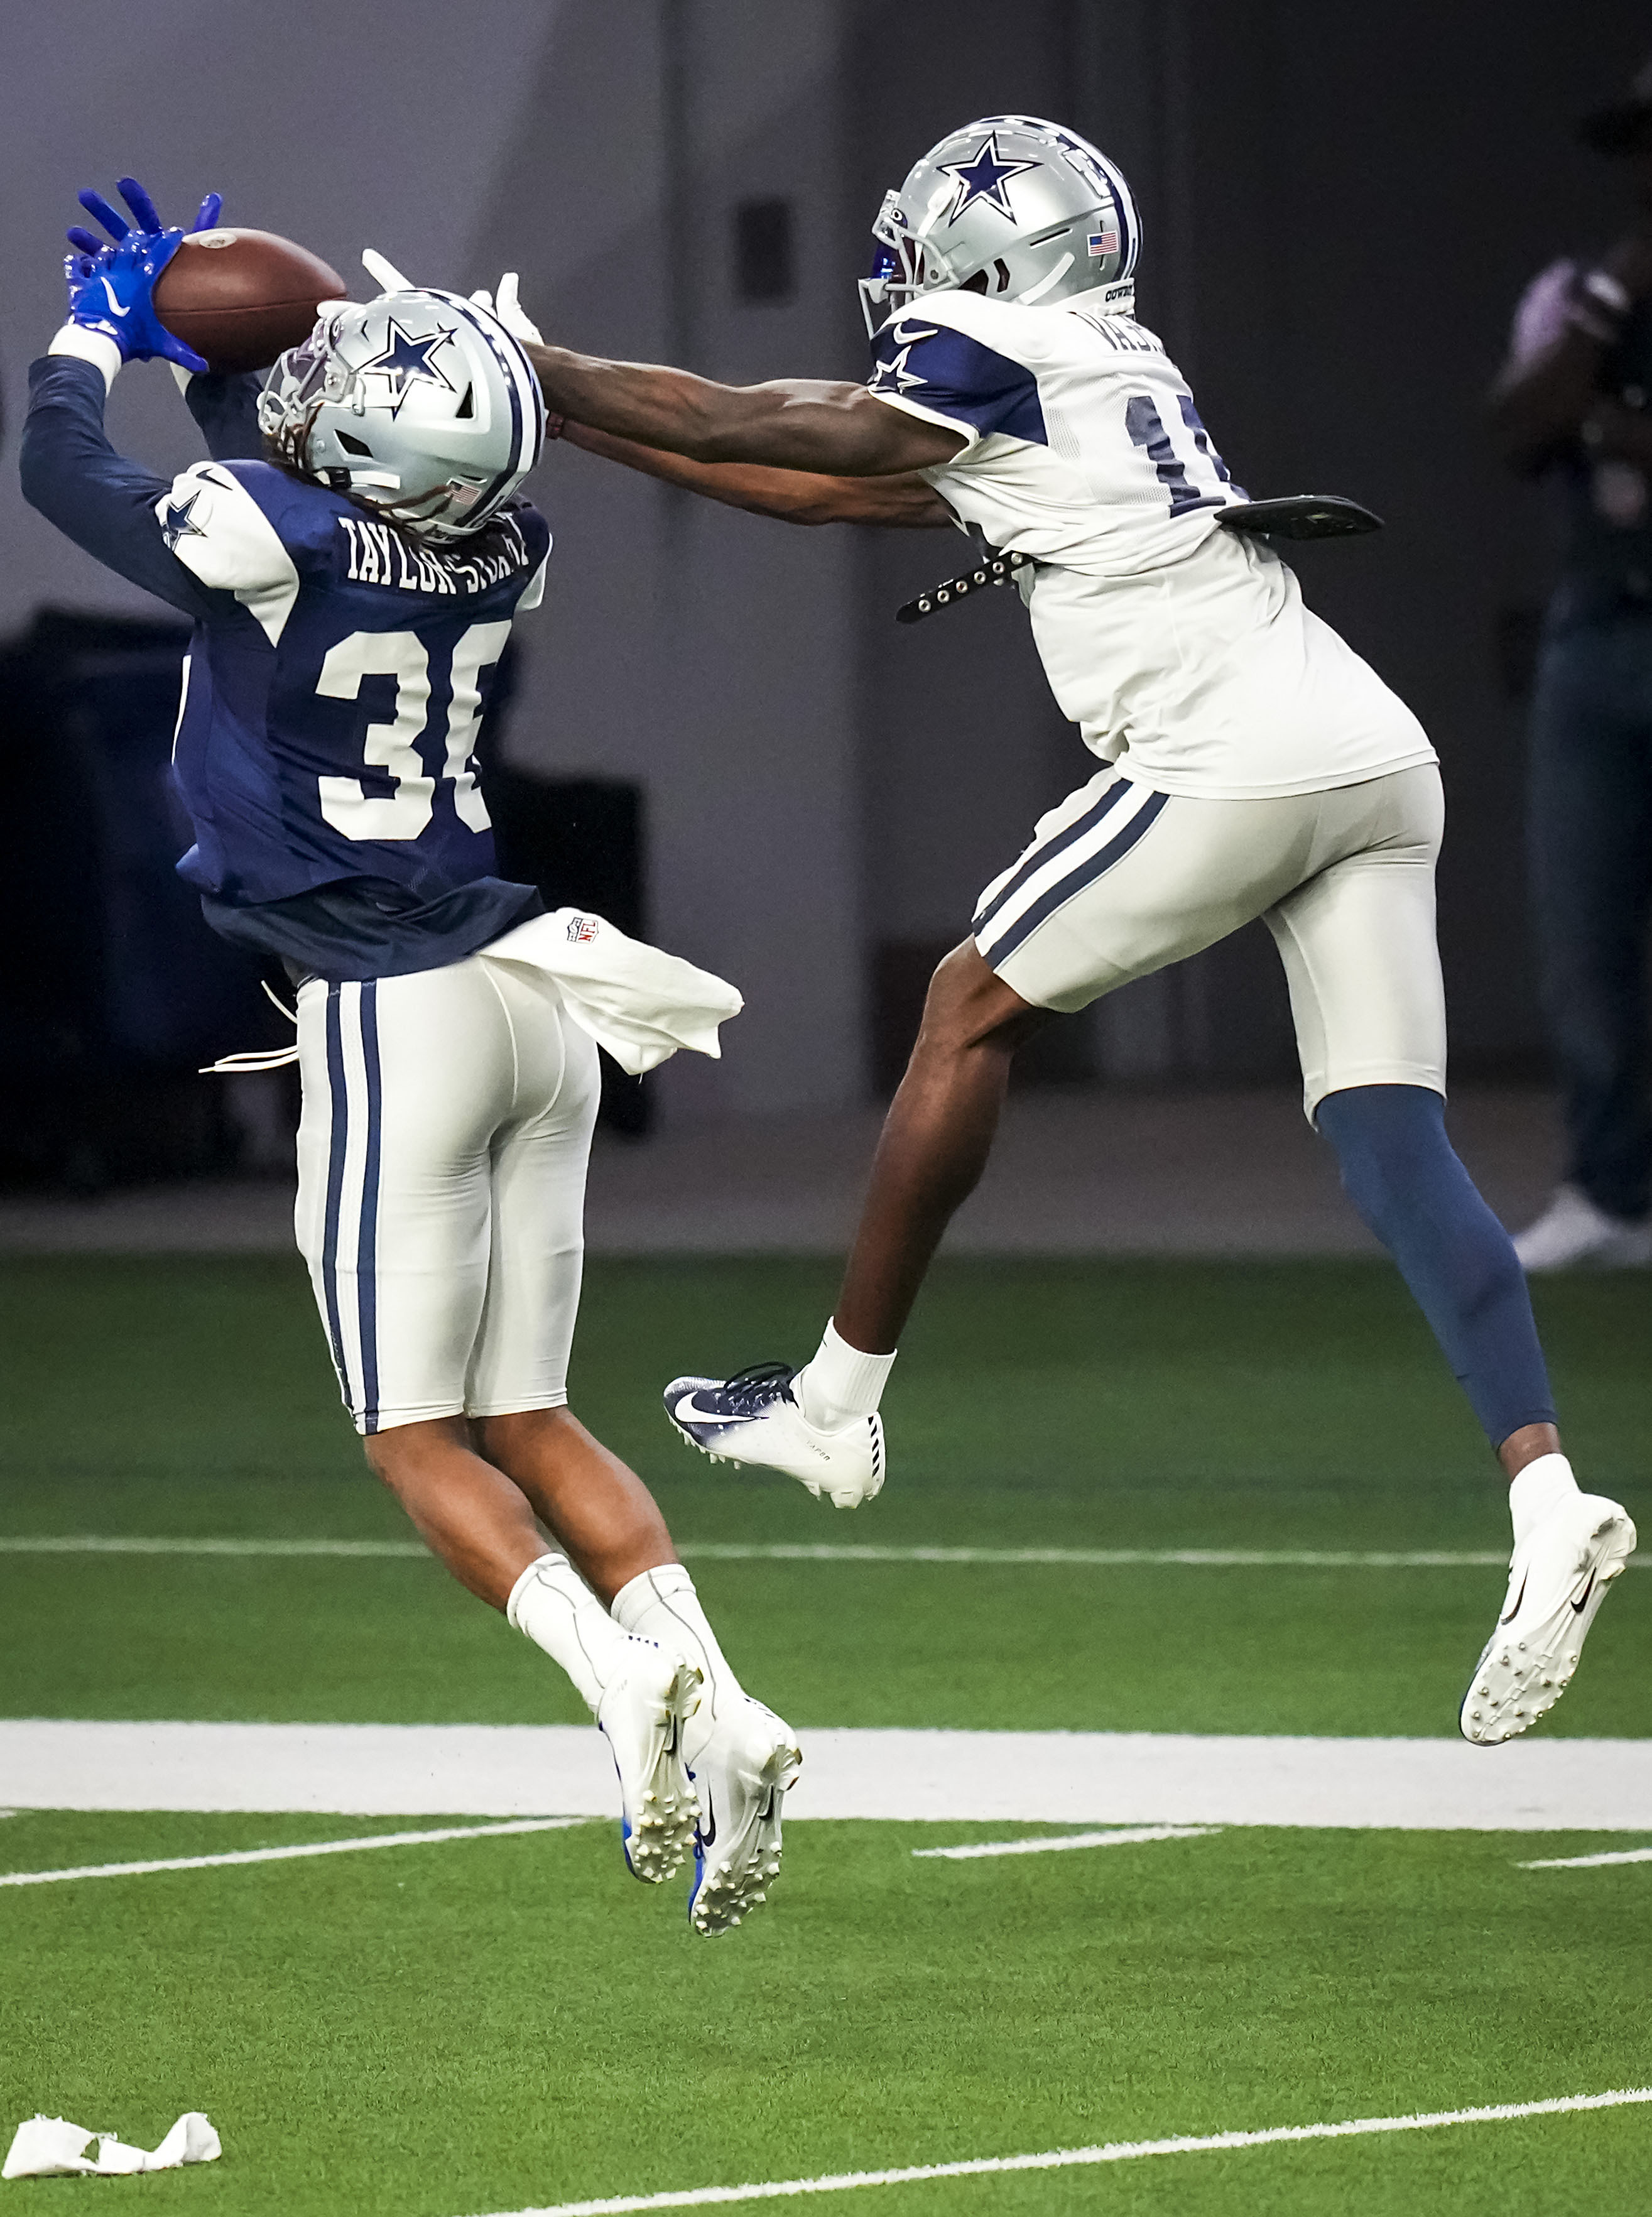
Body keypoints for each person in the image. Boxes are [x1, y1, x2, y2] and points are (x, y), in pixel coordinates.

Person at [498, 116, 1636, 1746]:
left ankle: (835, 1405)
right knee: (1392, 1142)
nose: (895, 277)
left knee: (964, 1003)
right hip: (1368, 751)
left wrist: (546, 361)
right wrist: (567, 411)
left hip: (1230, 755)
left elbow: (779, 420)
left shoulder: (996, 346)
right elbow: (809, 487)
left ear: (984, 259)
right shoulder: (1095, 361)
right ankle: (1543, 1506)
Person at [21, 178, 798, 1934]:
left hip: (398, 1007)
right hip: (537, 997)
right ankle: (727, 1712)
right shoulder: (507, 542)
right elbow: (318, 468)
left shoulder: (280, 529)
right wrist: (223, 360)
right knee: (530, 1408)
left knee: (413, 1436)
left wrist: (96, 333)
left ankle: (619, 1692)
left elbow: (71, 482)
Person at [1493, 60, 1652, 1273]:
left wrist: (1603, 424)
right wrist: (1611, 299)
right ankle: (1609, 1193)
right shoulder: (1578, 291)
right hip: (1597, 631)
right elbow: (1515, 426)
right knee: (1586, 933)